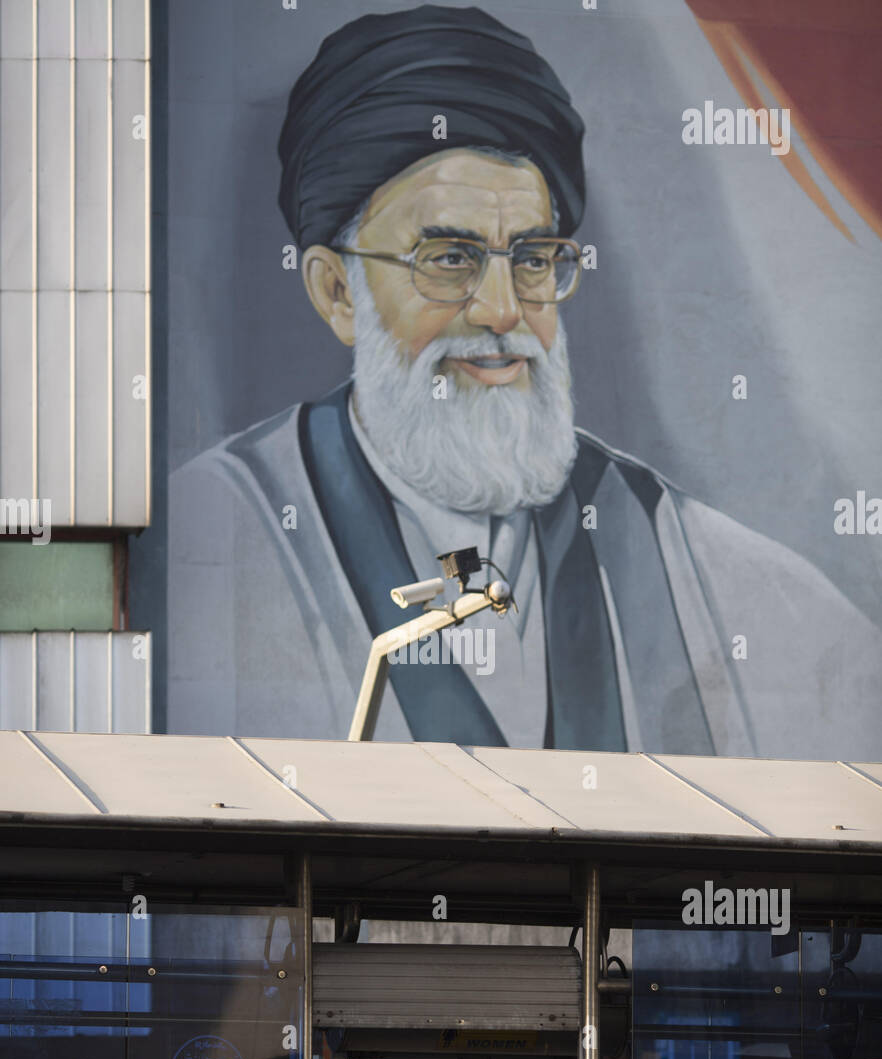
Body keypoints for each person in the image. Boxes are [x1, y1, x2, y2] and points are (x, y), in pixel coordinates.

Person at [168, 4, 882, 761]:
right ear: (336, 293)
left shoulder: (717, 580)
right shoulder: (209, 542)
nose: (505, 311)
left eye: (535, 258)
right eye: (448, 259)